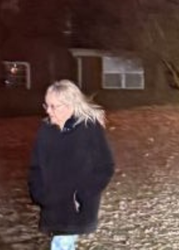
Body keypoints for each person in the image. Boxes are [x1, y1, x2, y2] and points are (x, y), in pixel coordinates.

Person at [28, 80, 116, 250]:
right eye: (46, 105)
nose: (48, 111)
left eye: (54, 106)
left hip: (75, 206)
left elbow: (105, 166)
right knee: (61, 242)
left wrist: (82, 194)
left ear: (70, 105)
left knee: (61, 244)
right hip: (51, 205)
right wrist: (38, 193)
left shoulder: (89, 129)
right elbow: (35, 166)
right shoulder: (45, 129)